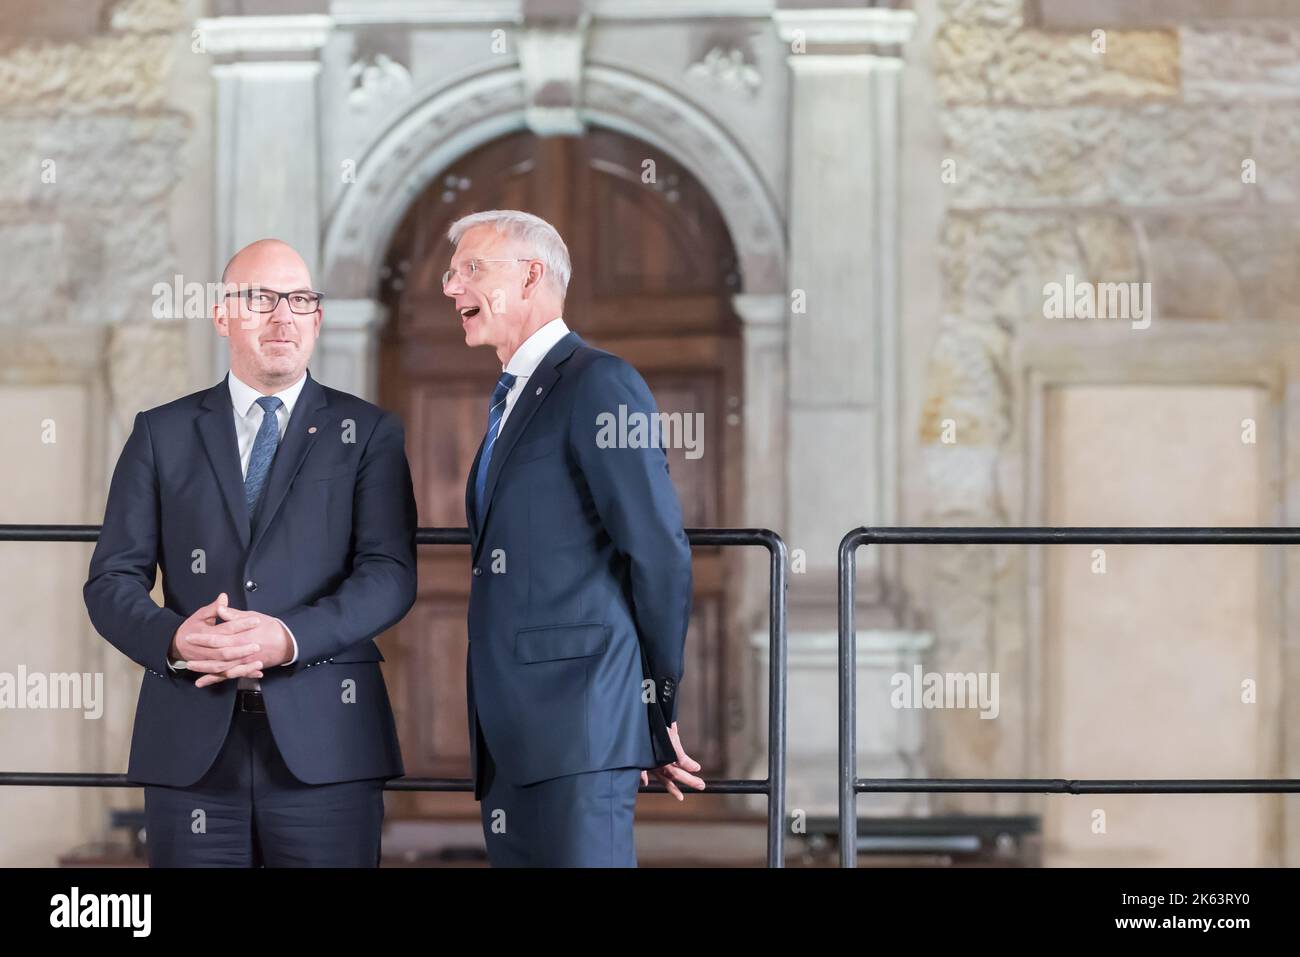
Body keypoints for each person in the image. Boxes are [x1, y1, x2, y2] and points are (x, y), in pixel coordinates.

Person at [83, 239, 417, 866]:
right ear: (221, 315)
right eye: (260, 299)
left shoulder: (368, 432)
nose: (282, 317)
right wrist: (175, 640)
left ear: (317, 317)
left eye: (298, 300)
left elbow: (390, 575)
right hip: (191, 750)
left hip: (329, 747)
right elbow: (111, 581)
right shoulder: (161, 432)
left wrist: (287, 636)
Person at [445, 209, 704, 867]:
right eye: (451, 273)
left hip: (582, 727)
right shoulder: (512, 397)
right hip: (511, 736)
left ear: (531, 276)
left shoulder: (600, 382)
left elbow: (657, 550)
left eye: (471, 268)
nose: (451, 288)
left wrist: (656, 708)